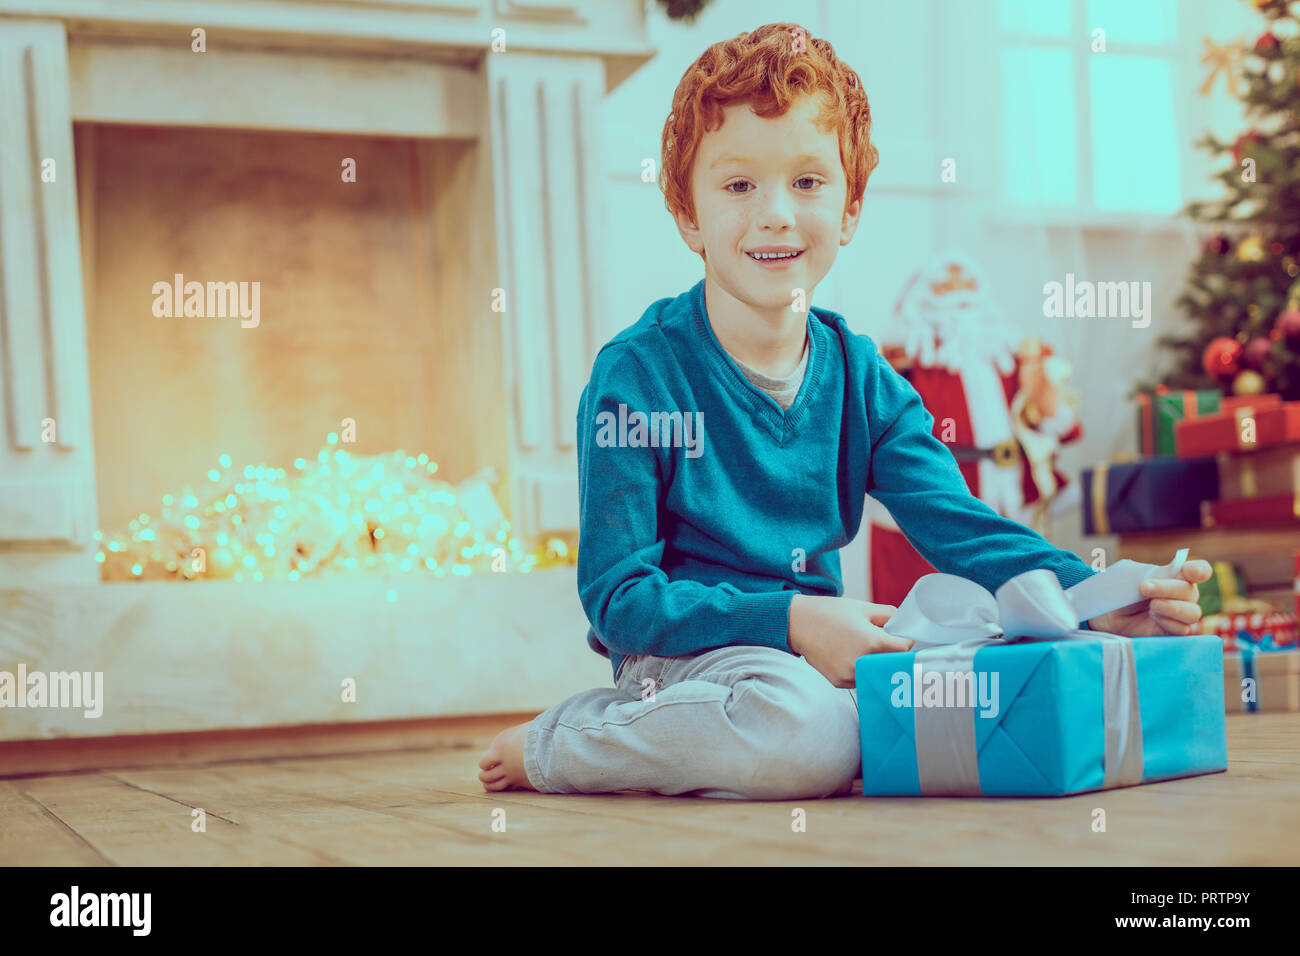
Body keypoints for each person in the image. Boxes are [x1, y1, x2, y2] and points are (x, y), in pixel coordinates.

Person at [478, 22, 1210, 800]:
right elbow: (620, 602)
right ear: (687, 213)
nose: (775, 215)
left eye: (808, 182)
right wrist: (791, 620)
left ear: (851, 207)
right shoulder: (637, 376)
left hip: (815, 657)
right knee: (807, 737)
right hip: (680, 656)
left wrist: (1096, 601)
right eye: (737, 186)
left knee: (933, 678)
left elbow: (964, 529)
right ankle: (564, 741)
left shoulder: (863, 377)